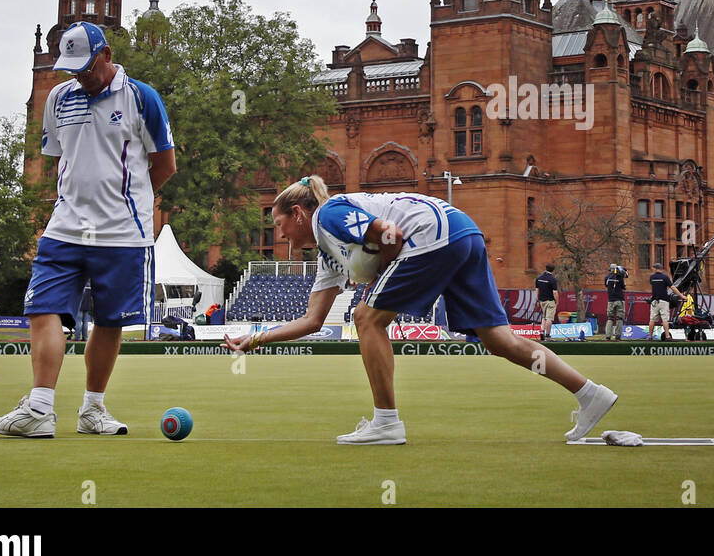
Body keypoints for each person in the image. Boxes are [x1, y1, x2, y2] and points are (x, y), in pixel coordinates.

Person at [222, 179, 617, 444]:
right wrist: (253, 339)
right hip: (463, 233)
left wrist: (378, 278)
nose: (279, 236)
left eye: (279, 225)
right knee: (498, 339)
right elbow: (312, 321)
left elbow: (391, 234)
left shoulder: (328, 214)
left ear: (298, 214)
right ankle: (590, 394)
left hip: (434, 235)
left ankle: (386, 423)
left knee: (365, 318)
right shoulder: (328, 255)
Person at [0, 21, 176, 438]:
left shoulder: (142, 97)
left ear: (106, 54)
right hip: (65, 227)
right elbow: (58, 159)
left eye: (86, 67)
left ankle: (93, 410)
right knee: (41, 308)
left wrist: (131, 201)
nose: (80, 77)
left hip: (123, 234)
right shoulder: (57, 97)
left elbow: (165, 164)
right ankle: (39, 410)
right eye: (72, 69)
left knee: (110, 321)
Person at [647, 262, 685, 341]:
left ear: (656, 269)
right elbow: (673, 288)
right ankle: (667, 336)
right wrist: (681, 296)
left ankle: (650, 337)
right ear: (661, 269)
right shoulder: (665, 277)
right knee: (665, 319)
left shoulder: (652, 277)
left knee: (652, 319)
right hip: (664, 301)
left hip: (654, 301)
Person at [535, 264, 559, 340]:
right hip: (550, 301)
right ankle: (547, 335)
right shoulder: (552, 279)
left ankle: (542, 332)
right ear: (553, 270)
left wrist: (537, 300)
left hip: (542, 301)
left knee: (544, 317)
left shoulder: (539, 278)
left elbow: (537, 290)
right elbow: (555, 292)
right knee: (549, 318)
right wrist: (557, 301)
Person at [603, 264, 626, 341]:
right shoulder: (620, 278)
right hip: (619, 300)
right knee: (619, 318)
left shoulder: (607, 278)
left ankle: (608, 336)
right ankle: (618, 336)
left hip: (611, 301)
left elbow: (606, 285)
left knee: (610, 318)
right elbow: (623, 287)